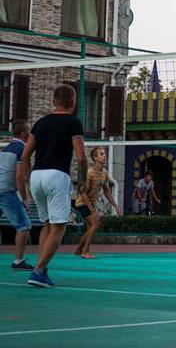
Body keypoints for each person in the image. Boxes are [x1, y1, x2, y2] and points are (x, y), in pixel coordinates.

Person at [19, 85, 87, 287]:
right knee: (59, 227)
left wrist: (27, 180)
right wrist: (82, 180)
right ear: (73, 102)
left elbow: (24, 156)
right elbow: (82, 158)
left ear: (53, 101)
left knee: (48, 224)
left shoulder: (40, 123)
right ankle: (38, 271)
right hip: (57, 176)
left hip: (37, 176)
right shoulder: (73, 123)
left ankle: (42, 268)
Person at [74, 147, 121, 259]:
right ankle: (85, 252)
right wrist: (92, 210)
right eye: (101, 154)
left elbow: (107, 191)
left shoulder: (104, 173)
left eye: (104, 154)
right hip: (82, 202)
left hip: (90, 203)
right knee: (95, 224)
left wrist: (115, 206)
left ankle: (78, 250)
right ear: (95, 158)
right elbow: (83, 194)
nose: (104, 156)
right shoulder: (89, 173)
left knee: (91, 227)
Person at [0, 120, 34, 270]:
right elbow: (20, 177)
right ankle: (18, 261)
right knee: (24, 226)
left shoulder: (5, 149)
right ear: (24, 134)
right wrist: (25, 198)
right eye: (29, 130)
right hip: (6, 191)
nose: (31, 133)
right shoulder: (22, 150)